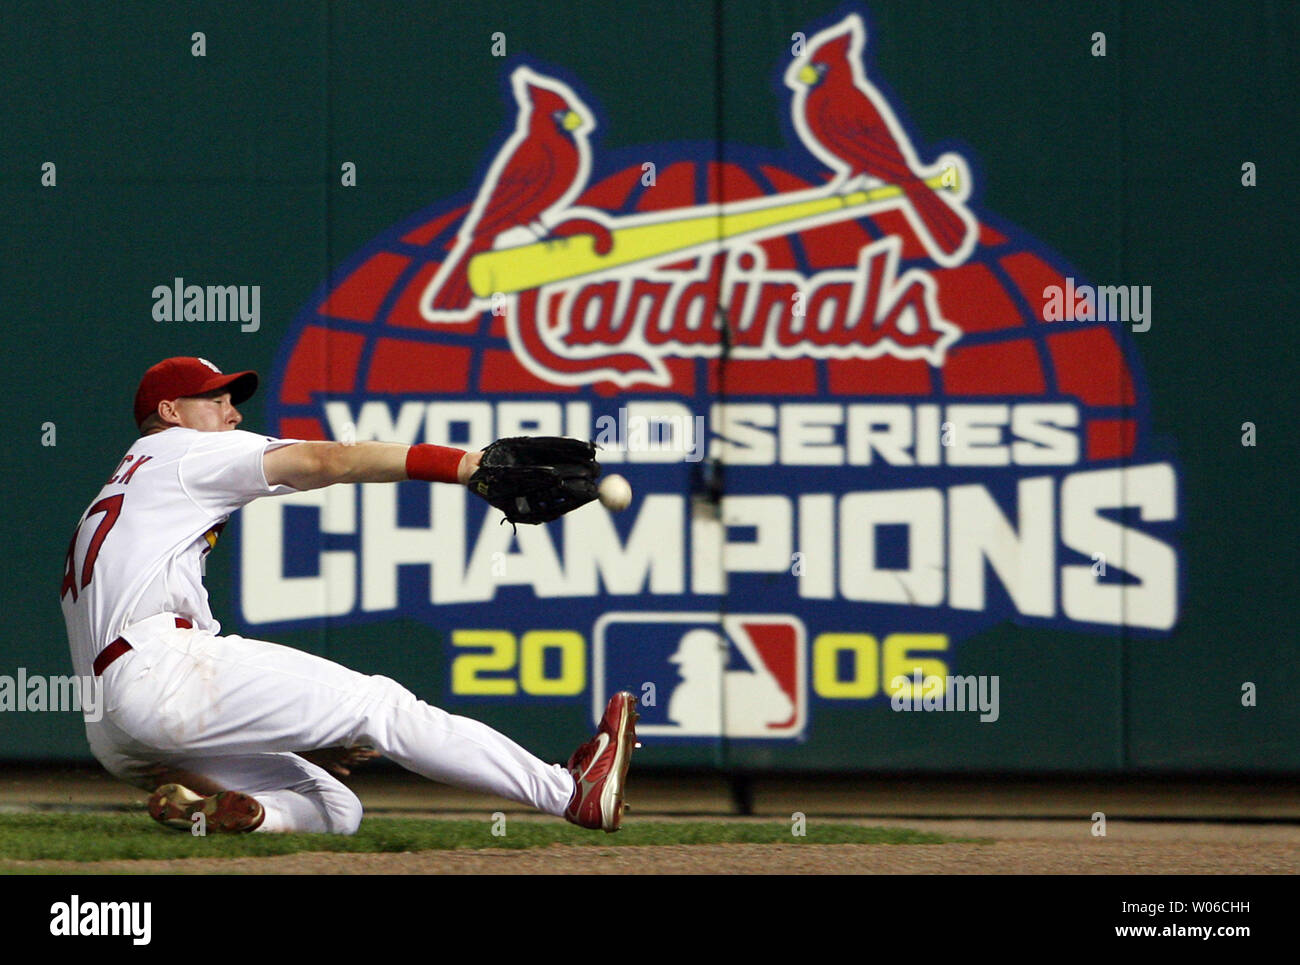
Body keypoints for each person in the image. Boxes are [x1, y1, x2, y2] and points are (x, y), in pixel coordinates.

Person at [59, 356, 637, 834]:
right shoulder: (182, 450)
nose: (233, 414)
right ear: (170, 412)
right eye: (216, 399)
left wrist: (294, 735)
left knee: (339, 810)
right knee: (379, 707)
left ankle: (237, 816)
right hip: (162, 674)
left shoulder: (124, 487)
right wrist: (466, 465)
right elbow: (325, 459)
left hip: (112, 726)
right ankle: (568, 791)